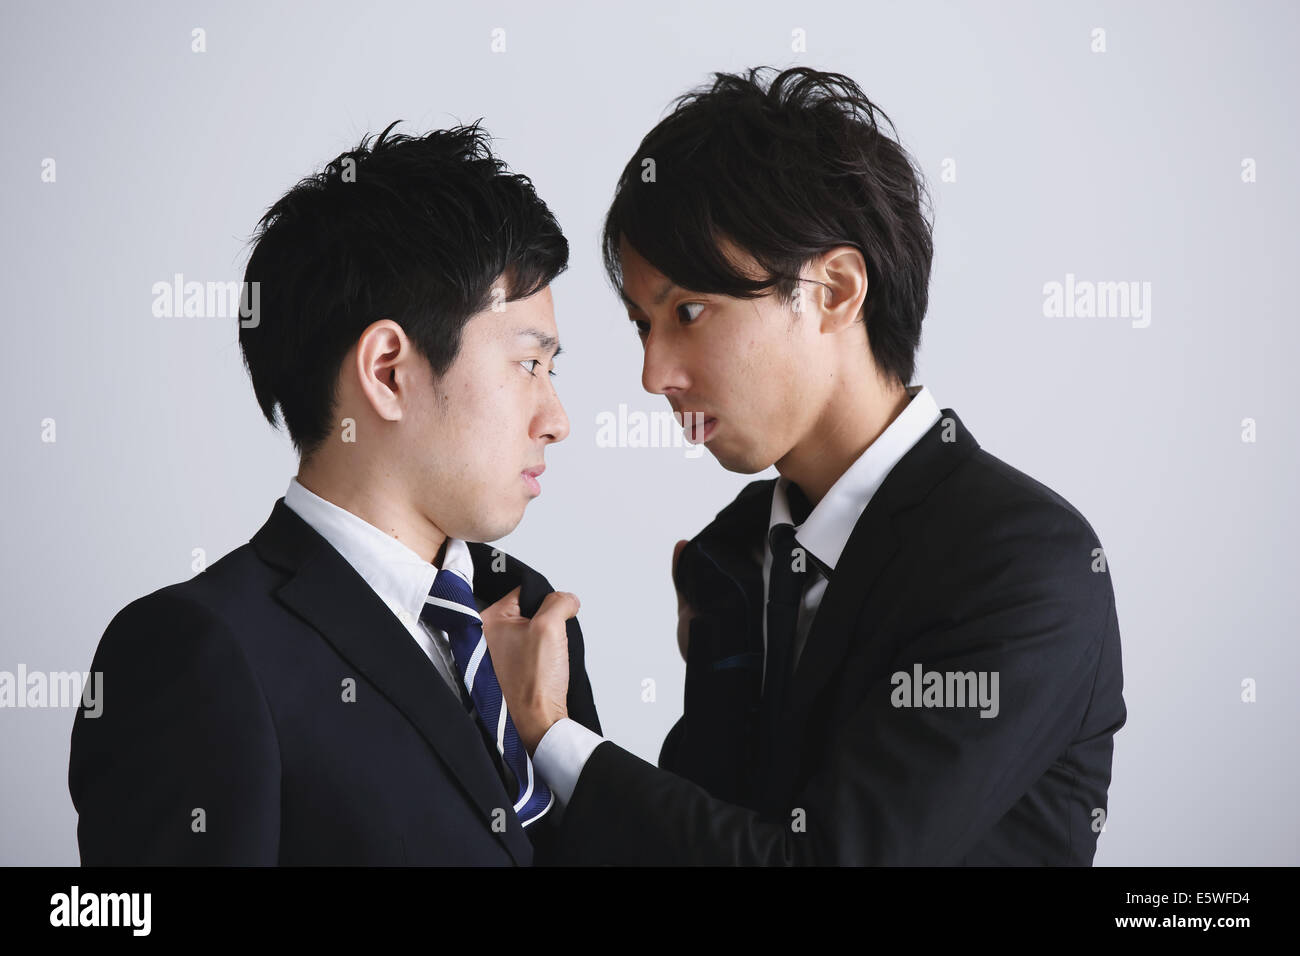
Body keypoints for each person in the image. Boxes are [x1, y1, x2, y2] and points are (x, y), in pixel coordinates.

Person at [481, 67, 1127, 865]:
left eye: (688, 312)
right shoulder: (732, 553)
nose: (653, 374)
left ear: (835, 290)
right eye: (642, 324)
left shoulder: (1025, 563)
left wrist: (549, 733)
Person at [68, 121, 599, 865]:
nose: (557, 420)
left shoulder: (527, 613)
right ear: (387, 371)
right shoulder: (202, 654)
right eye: (527, 366)